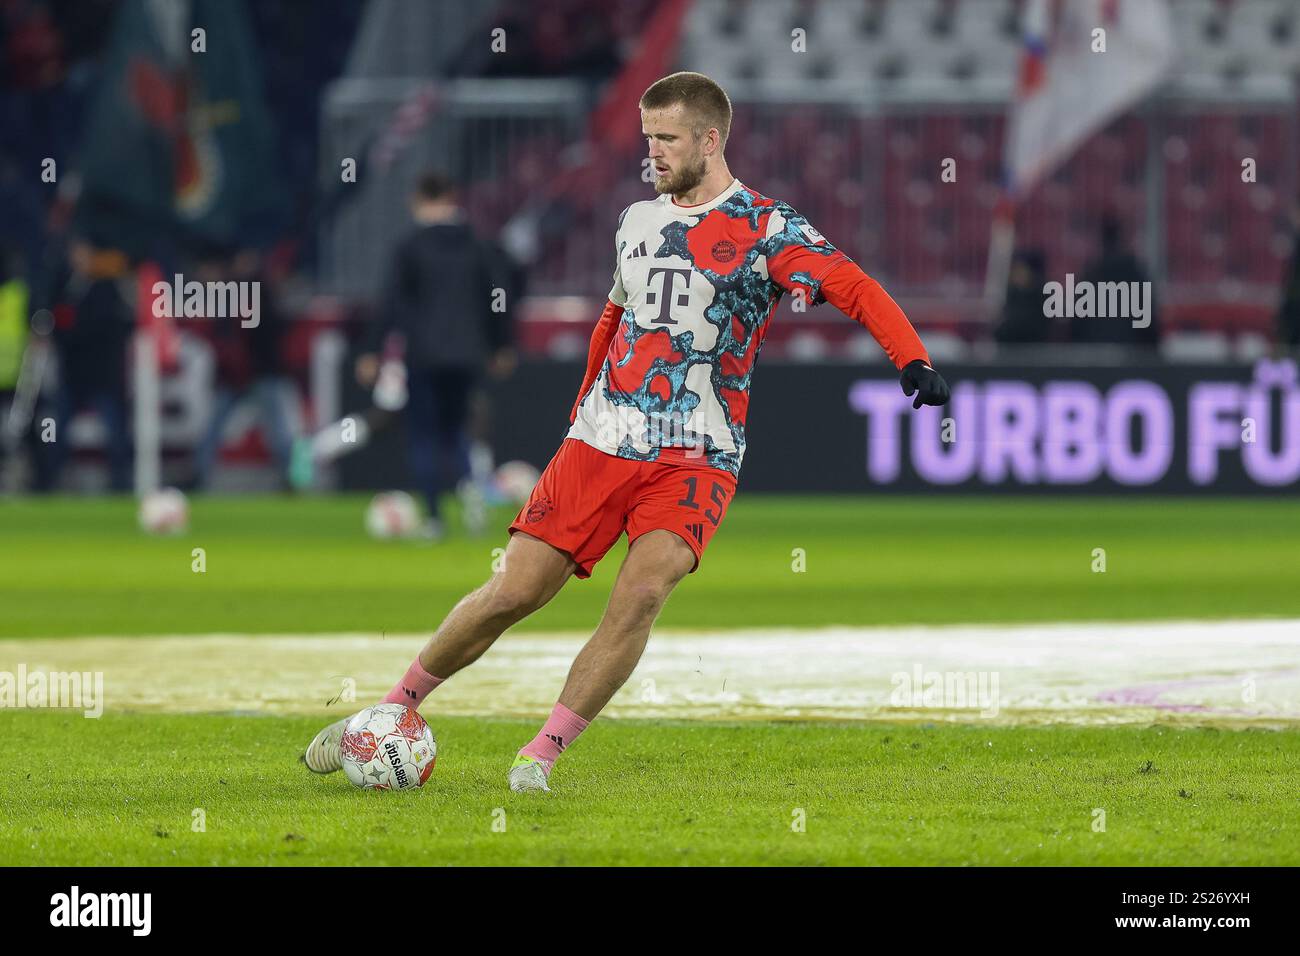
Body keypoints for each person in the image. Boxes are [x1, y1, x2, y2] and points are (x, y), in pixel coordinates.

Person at [303, 72, 949, 792]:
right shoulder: (636, 220)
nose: (654, 154)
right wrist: (581, 410)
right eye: (647, 139)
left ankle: (538, 756)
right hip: (601, 440)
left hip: (698, 452)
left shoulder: (768, 227)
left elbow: (851, 284)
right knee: (514, 592)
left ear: (711, 139)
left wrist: (911, 358)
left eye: (667, 139)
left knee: (641, 592)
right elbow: (614, 321)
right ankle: (394, 711)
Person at [354, 172, 516, 538]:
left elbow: (390, 304)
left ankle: (433, 519)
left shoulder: (410, 247)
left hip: (424, 356)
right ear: (452, 197)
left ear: (418, 200)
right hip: (467, 355)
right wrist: (501, 345)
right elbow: (498, 298)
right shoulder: (477, 245)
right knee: (459, 430)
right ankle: (473, 498)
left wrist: (371, 351)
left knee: (424, 434)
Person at [1069, 213, 1160, 348]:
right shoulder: (1137, 277)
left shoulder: (1090, 278)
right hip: (1133, 358)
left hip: (1094, 359)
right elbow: (1150, 327)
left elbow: (1076, 328)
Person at [993, 248, 1050, 344]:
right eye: (1014, 269)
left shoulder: (1042, 298)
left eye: (1021, 269)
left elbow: (1031, 329)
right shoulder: (1012, 295)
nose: (1016, 274)